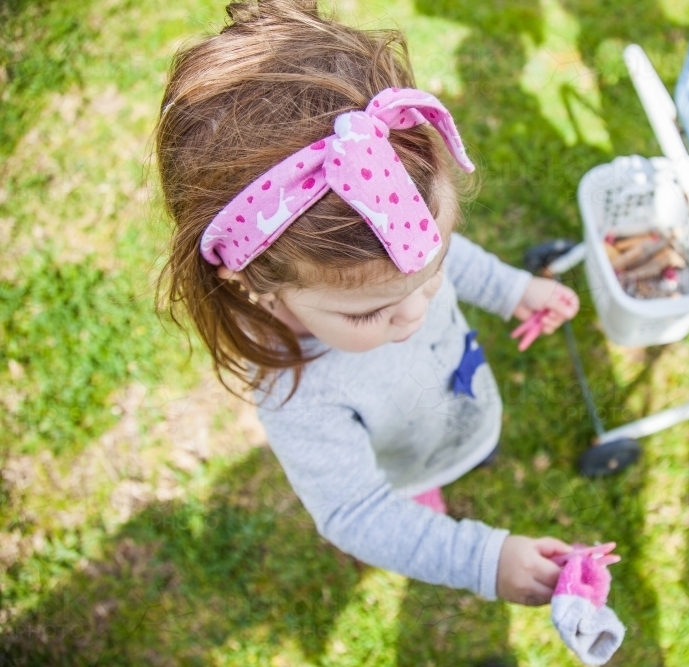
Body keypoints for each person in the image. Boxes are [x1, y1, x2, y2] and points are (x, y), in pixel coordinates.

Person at [155, 0, 584, 607]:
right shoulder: (296, 389)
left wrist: (513, 289)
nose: (414, 313)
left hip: (450, 404)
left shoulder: (401, 258)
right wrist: (481, 560)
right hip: (397, 464)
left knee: (458, 429)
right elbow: (356, 508)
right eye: (366, 314)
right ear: (252, 279)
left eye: (427, 277)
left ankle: (459, 457)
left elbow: (450, 259)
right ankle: (423, 497)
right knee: (407, 503)